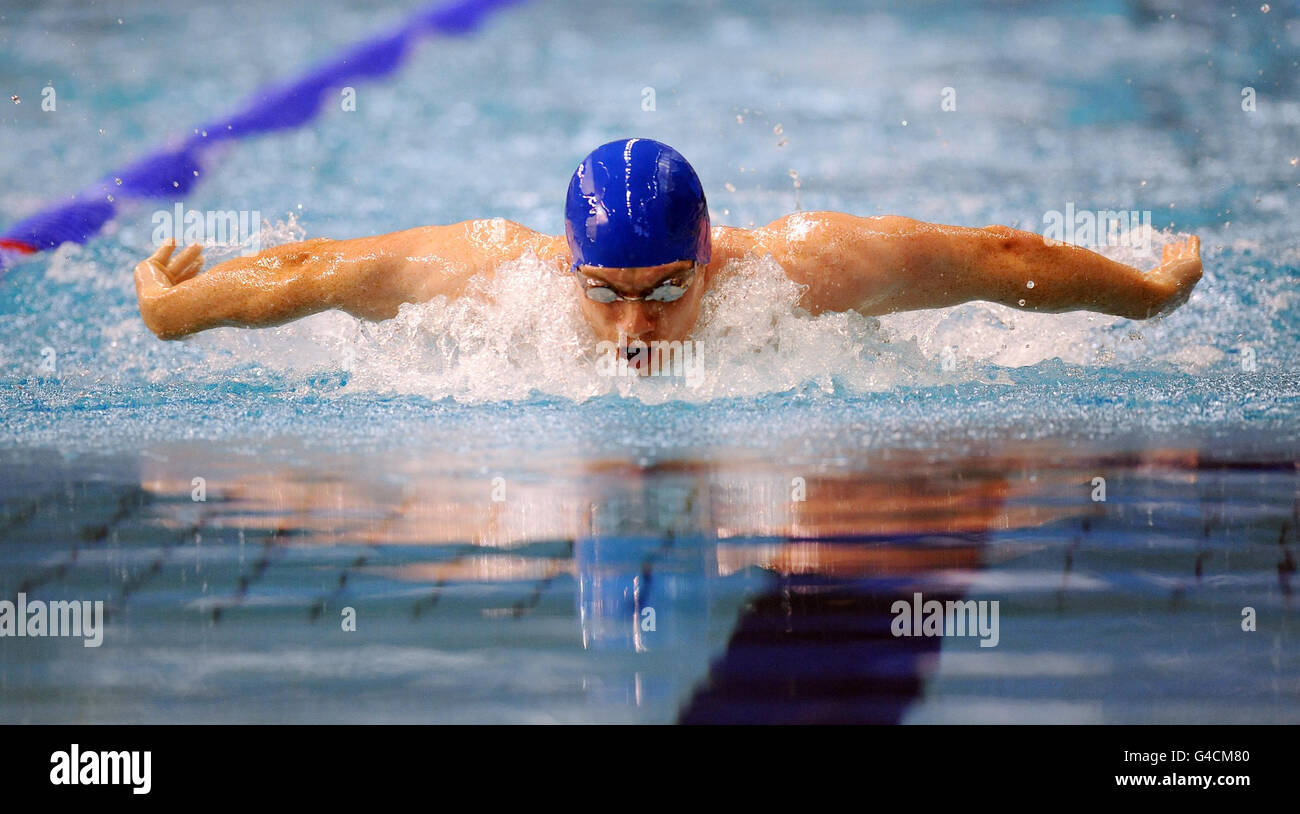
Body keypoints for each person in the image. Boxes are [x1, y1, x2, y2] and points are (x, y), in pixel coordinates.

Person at [134, 138, 1202, 354]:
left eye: (668, 289)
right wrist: (175, 309)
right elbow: (315, 270)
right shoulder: (492, 277)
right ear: (565, 265)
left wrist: (1152, 293)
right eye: (603, 293)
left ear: (713, 257)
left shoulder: (801, 269)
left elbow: (994, 257)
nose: (634, 329)